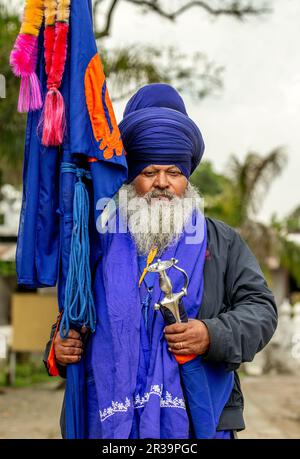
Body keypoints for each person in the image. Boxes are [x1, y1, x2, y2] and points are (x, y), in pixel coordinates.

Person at [44, 83, 277, 439]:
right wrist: (58, 347)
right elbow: (73, 314)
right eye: (150, 172)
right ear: (130, 178)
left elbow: (261, 310)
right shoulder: (96, 241)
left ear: (188, 178)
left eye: (174, 173)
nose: (163, 184)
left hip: (200, 422)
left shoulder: (222, 241)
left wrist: (209, 334)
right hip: (106, 423)